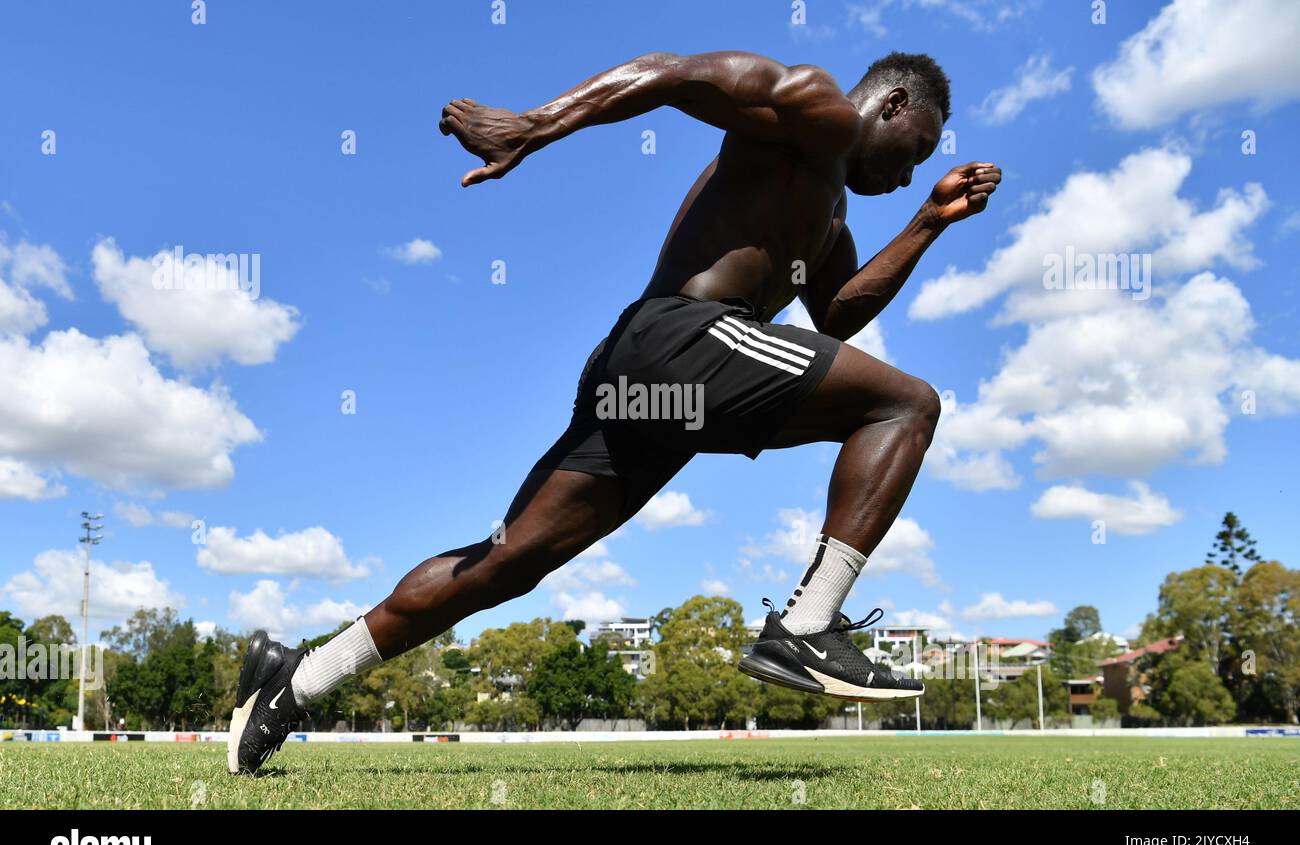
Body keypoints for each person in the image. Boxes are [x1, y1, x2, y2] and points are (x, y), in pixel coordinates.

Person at [229, 50, 1000, 774]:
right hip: (680, 339)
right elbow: (672, 75)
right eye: (917, 150)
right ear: (894, 103)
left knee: (505, 563)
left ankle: (294, 681)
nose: (908, 177)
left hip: (648, 383)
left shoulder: (831, 214)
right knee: (908, 404)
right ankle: (808, 624)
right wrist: (535, 123)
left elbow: (835, 314)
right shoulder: (818, 107)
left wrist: (928, 224)